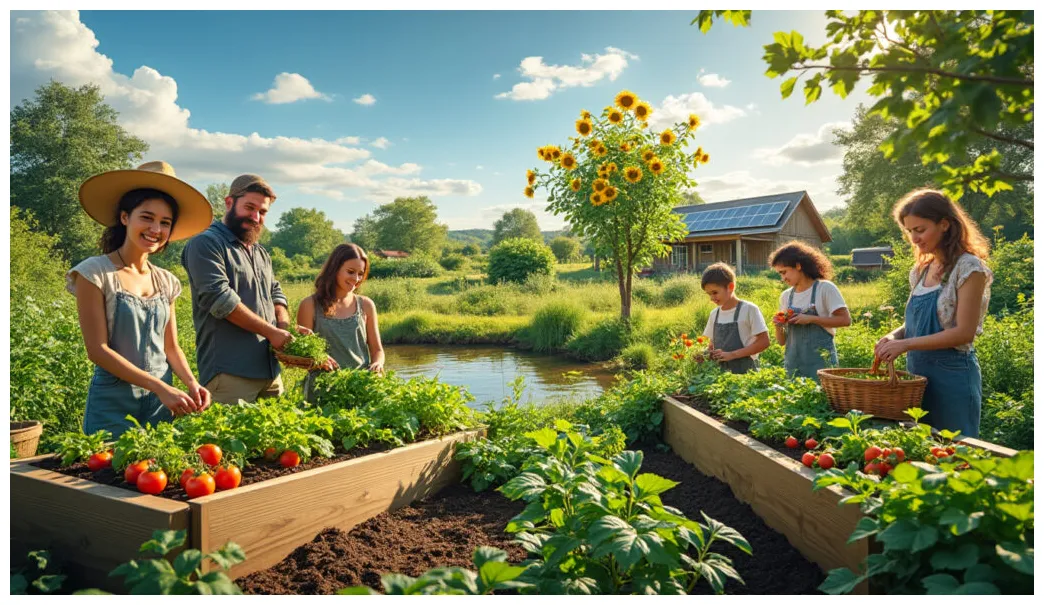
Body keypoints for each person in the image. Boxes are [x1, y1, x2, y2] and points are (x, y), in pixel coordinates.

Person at [68, 161, 214, 438]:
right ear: (125, 218)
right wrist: (160, 387)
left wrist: (192, 384)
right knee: (106, 478)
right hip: (113, 403)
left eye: (165, 222)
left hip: (161, 403)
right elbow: (97, 350)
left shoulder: (166, 281)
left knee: (157, 476)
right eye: (146, 217)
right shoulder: (94, 273)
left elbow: (171, 348)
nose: (155, 229)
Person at [874, 189, 992, 438]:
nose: (914, 238)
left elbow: (963, 332)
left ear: (945, 225)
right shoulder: (920, 271)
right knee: (922, 451)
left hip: (953, 379)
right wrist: (893, 337)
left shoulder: (969, 268)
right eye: (909, 231)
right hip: (917, 379)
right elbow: (912, 325)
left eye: (920, 229)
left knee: (956, 453)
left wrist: (905, 344)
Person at [181, 174, 292, 404]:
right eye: (249, 207)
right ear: (229, 202)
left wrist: (283, 327)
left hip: (270, 371)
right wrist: (272, 333)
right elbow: (219, 299)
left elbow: (276, 292)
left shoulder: (260, 252)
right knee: (225, 440)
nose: (255, 217)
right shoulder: (206, 243)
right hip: (230, 372)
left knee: (278, 440)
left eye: (262, 212)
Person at [295, 244, 386, 401]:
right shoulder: (309, 305)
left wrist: (378, 365)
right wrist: (318, 359)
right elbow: (302, 354)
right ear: (334, 268)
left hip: (361, 388)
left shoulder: (366, 305)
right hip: (322, 391)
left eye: (360, 274)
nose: (356, 279)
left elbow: (377, 349)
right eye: (350, 272)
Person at [770, 241, 852, 381]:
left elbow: (846, 320)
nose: (783, 278)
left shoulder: (825, 288)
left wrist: (811, 319)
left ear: (798, 265)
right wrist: (779, 326)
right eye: (780, 274)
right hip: (794, 365)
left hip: (821, 365)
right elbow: (782, 342)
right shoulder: (786, 296)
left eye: (784, 272)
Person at [700, 263, 770, 374]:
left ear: (730, 287)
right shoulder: (714, 314)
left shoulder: (749, 309)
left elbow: (764, 342)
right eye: (709, 294)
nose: (712, 298)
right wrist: (705, 355)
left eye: (715, 292)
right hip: (721, 375)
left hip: (747, 372)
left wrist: (732, 355)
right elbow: (712, 345)